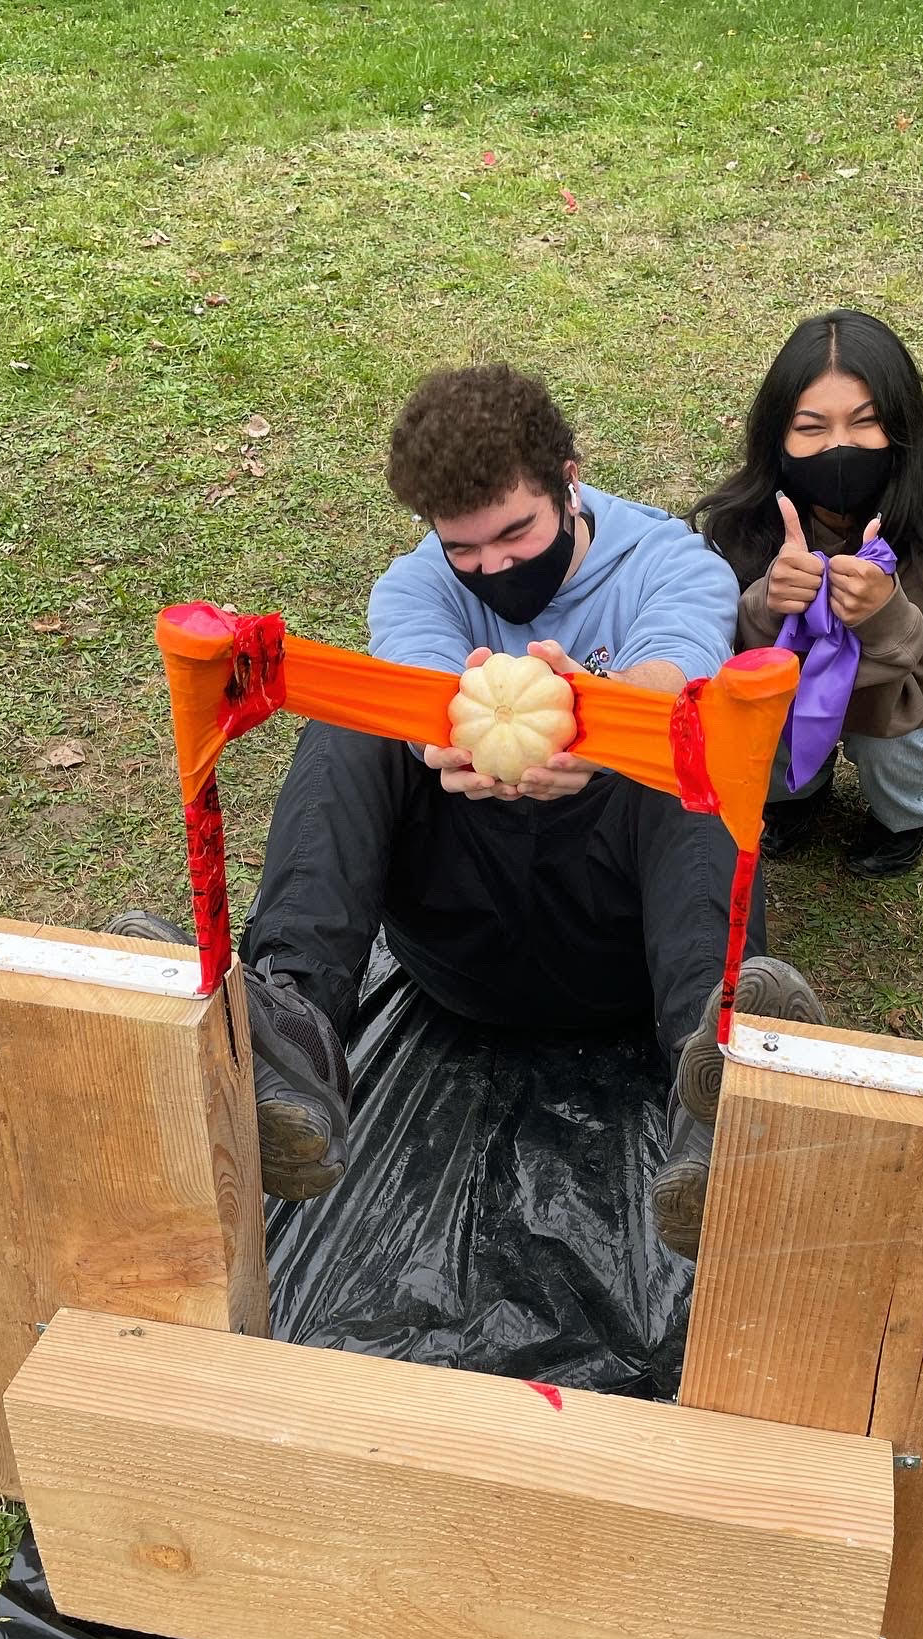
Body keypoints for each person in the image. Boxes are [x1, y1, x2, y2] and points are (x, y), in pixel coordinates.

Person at [110, 363, 823, 1259]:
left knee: (699, 740)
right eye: (465, 550)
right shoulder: (412, 587)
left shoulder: (673, 563)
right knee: (355, 718)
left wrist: (593, 722)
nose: (493, 568)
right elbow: (419, 694)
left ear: (570, 478)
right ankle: (289, 1030)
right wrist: (439, 739)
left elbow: (671, 668)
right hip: (463, 940)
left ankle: (718, 1084)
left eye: (515, 534)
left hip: (620, 943)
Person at [691, 309, 923, 876]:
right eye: (811, 427)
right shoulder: (757, 509)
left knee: (888, 740)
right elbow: (731, 657)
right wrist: (768, 602)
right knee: (760, 695)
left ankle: (910, 812)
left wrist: (883, 616)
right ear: (779, 435)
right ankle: (796, 795)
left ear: (898, 422)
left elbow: (911, 694)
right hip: (835, 668)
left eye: (864, 422)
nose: (838, 447)